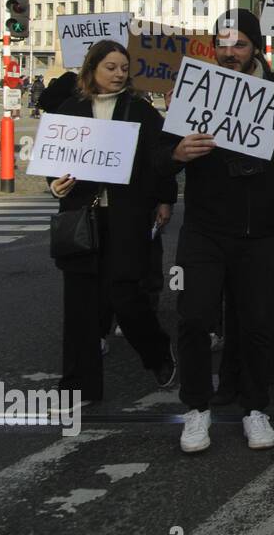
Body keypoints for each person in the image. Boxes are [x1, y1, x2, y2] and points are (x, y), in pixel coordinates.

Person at [162, 9, 274, 454]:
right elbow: (158, 156)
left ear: (256, 47)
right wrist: (177, 151)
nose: (229, 53)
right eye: (222, 45)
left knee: (255, 323)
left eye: (240, 45)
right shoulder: (193, 90)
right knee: (194, 317)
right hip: (206, 229)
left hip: (261, 229)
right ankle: (196, 409)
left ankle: (256, 408)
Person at [47, 40, 177, 403]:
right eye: (111, 67)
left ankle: (157, 352)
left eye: (123, 67)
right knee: (80, 306)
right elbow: (53, 162)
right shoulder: (69, 110)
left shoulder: (139, 111)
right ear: (92, 69)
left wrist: (165, 198)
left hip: (126, 217)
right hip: (80, 216)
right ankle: (79, 385)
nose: (119, 73)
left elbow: (160, 158)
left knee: (126, 295)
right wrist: (54, 185)